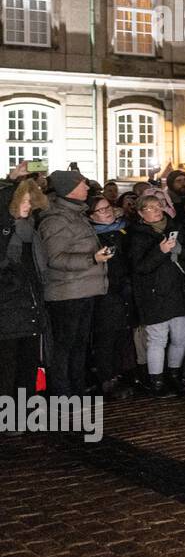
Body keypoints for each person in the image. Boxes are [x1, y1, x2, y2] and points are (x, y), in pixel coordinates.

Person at [38, 170, 112, 396]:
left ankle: (76, 388)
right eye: (82, 184)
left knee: (79, 345)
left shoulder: (76, 214)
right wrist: (92, 259)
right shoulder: (57, 219)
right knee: (65, 346)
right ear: (68, 189)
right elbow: (55, 258)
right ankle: (62, 391)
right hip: (66, 293)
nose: (87, 188)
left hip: (82, 289)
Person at [128, 193, 185, 394]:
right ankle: (157, 381)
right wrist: (160, 251)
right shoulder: (136, 235)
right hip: (153, 294)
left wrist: (180, 251)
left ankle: (174, 374)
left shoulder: (175, 228)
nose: (156, 211)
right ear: (140, 213)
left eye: (158, 206)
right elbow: (139, 267)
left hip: (177, 291)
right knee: (157, 339)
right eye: (149, 208)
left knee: (181, 337)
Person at [0, 172, 48, 398]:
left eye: (31, 200)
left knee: (28, 365)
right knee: (7, 367)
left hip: (30, 307)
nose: (29, 206)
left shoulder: (30, 233)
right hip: (8, 310)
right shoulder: (5, 234)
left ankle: (23, 411)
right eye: (24, 200)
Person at [87, 194, 135, 398]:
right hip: (104, 290)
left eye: (108, 208)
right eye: (101, 210)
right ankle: (107, 377)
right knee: (106, 335)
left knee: (122, 334)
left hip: (124, 288)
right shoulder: (91, 235)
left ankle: (122, 373)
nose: (107, 212)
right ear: (91, 215)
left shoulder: (123, 230)